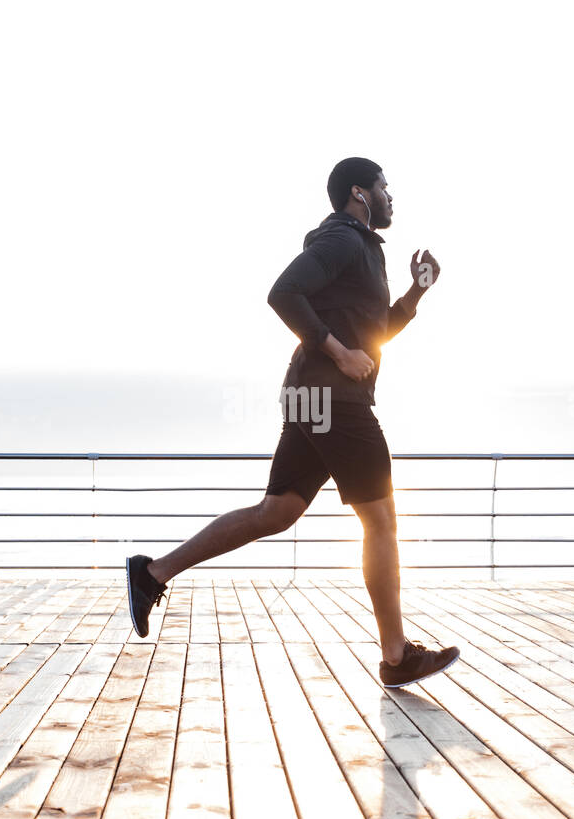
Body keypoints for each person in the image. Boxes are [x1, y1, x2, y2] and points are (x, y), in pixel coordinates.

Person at [125, 157, 460, 689]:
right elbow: (283, 293)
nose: (391, 197)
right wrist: (338, 353)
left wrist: (416, 293)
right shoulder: (344, 241)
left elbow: (370, 337)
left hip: (312, 397)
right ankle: (396, 657)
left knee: (276, 511)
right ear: (359, 193)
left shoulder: (362, 249)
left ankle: (152, 573)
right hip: (334, 400)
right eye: (384, 187)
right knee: (381, 522)